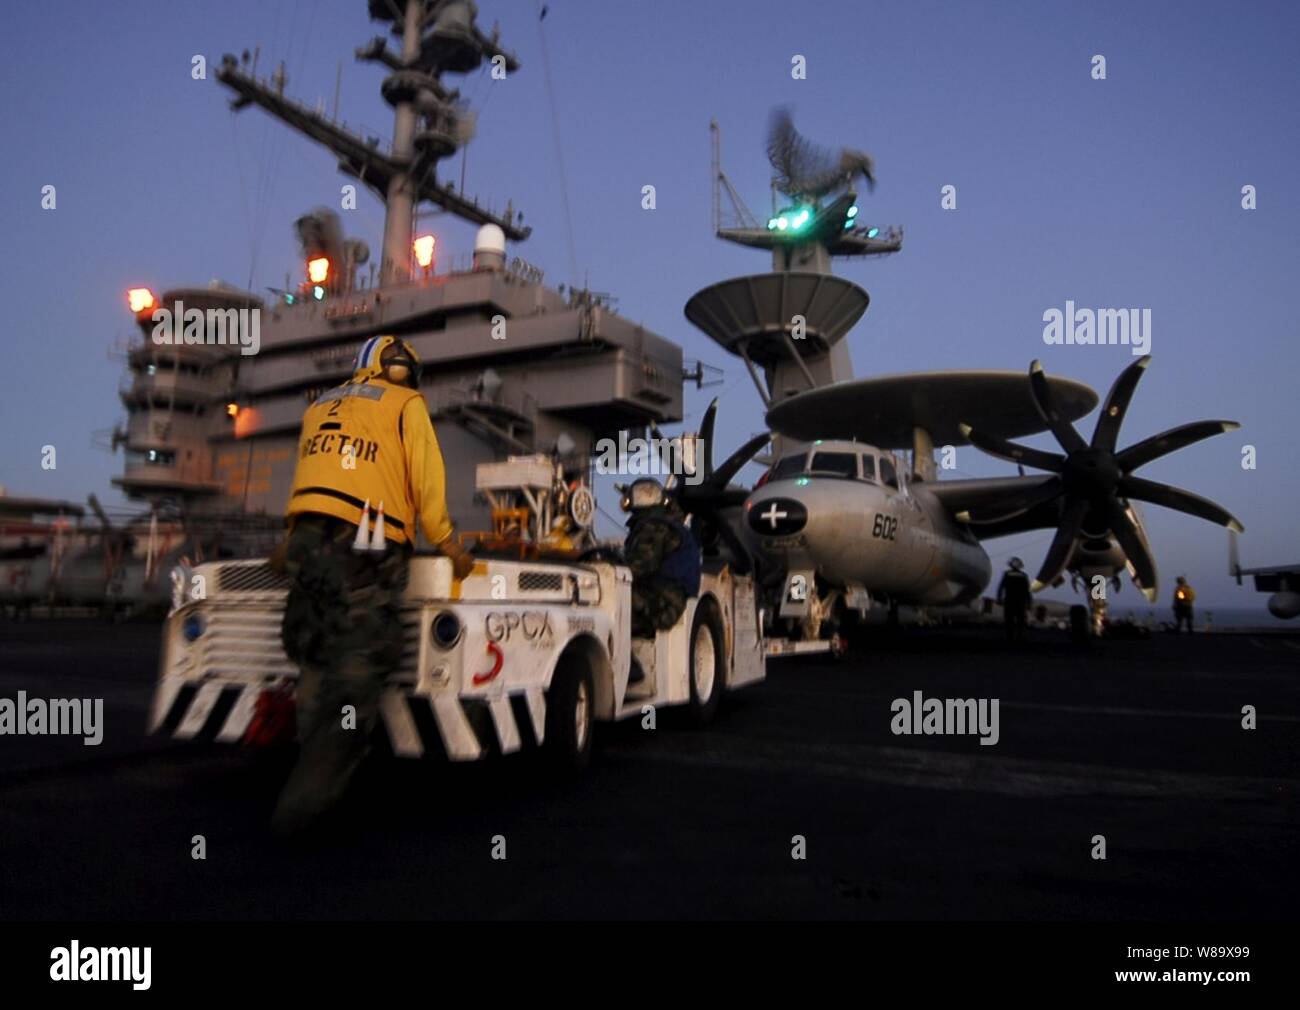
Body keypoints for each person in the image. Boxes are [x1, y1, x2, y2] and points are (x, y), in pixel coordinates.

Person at [271, 334, 475, 834]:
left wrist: (290, 540)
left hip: (307, 541)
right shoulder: (406, 403)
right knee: (359, 669)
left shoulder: (321, 404)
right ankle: (302, 810)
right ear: (404, 370)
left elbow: (310, 473)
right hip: (364, 544)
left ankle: (308, 764)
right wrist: (449, 544)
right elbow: (427, 482)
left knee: (315, 653)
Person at [621, 479, 701, 651]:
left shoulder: (654, 526)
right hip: (666, 599)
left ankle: (628, 663)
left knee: (610, 607)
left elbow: (638, 566)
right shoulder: (669, 524)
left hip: (661, 603)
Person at [997, 556, 1033, 641]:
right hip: (1020, 601)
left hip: (1009, 600)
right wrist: (1029, 603)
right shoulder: (1023, 575)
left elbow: (1001, 587)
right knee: (1020, 620)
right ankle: (1019, 637)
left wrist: (999, 598)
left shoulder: (1007, 574)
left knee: (1009, 620)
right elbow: (1027, 591)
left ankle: (1010, 637)